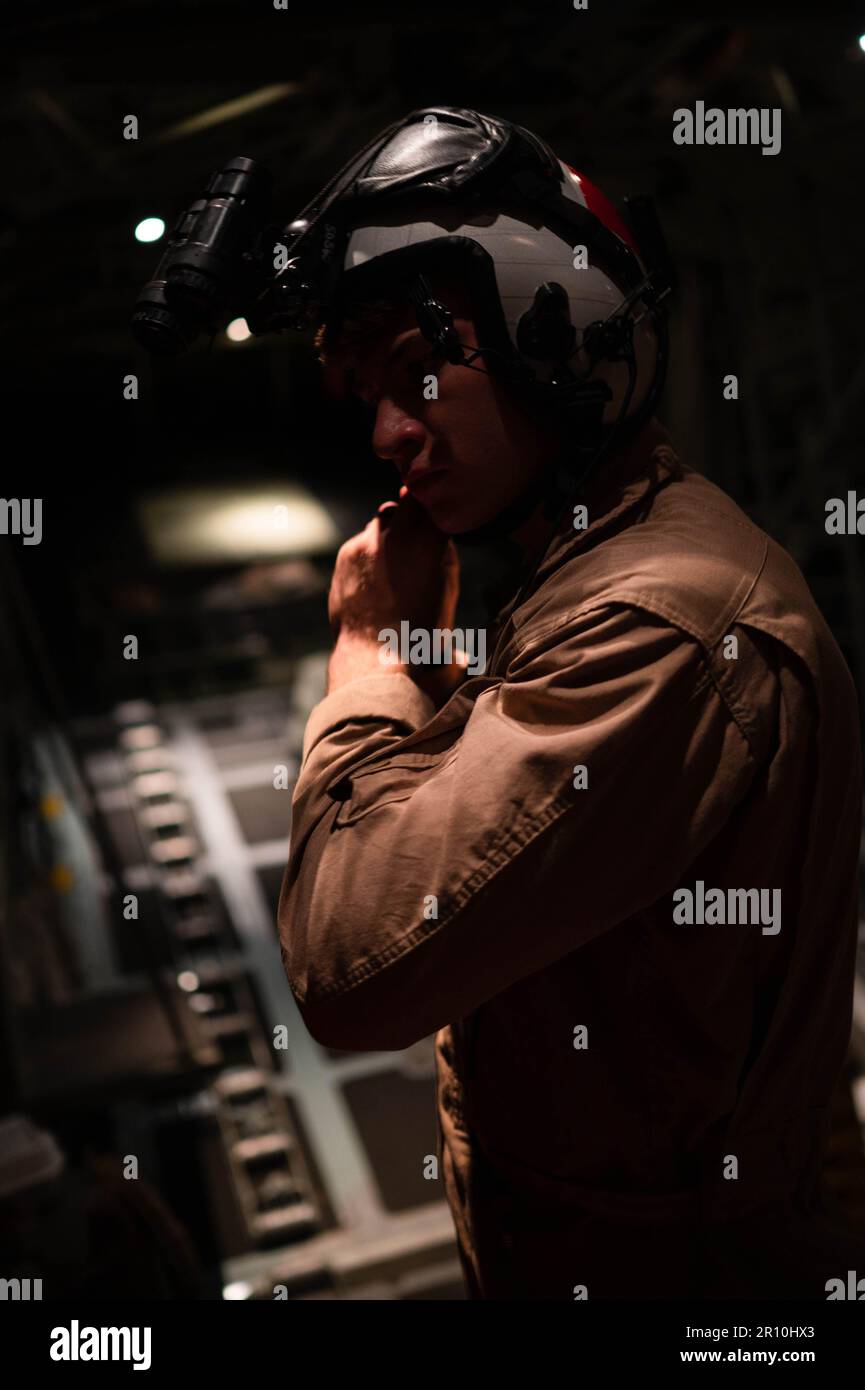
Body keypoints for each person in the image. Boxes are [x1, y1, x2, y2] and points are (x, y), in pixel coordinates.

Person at [276, 107, 864, 1299]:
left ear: (560, 331)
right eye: (366, 397)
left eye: (418, 373)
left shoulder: (657, 629)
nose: (389, 433)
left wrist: (369, 654)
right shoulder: (592, 568)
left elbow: (349, 962)